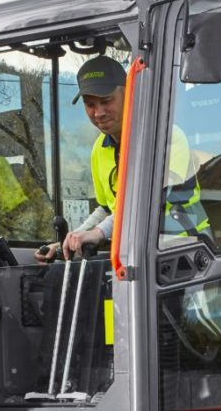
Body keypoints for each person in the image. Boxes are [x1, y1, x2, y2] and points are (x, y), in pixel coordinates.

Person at [36, 56, 205, 262]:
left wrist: (99, 233)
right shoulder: (100, 148)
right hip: (134, 254)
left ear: (128, 94)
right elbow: (107, 208)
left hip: (185, 249)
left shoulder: (165, 138)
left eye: (106, 101)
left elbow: (145, 205)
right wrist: (72, 239)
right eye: (90, 104)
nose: (98, 113)